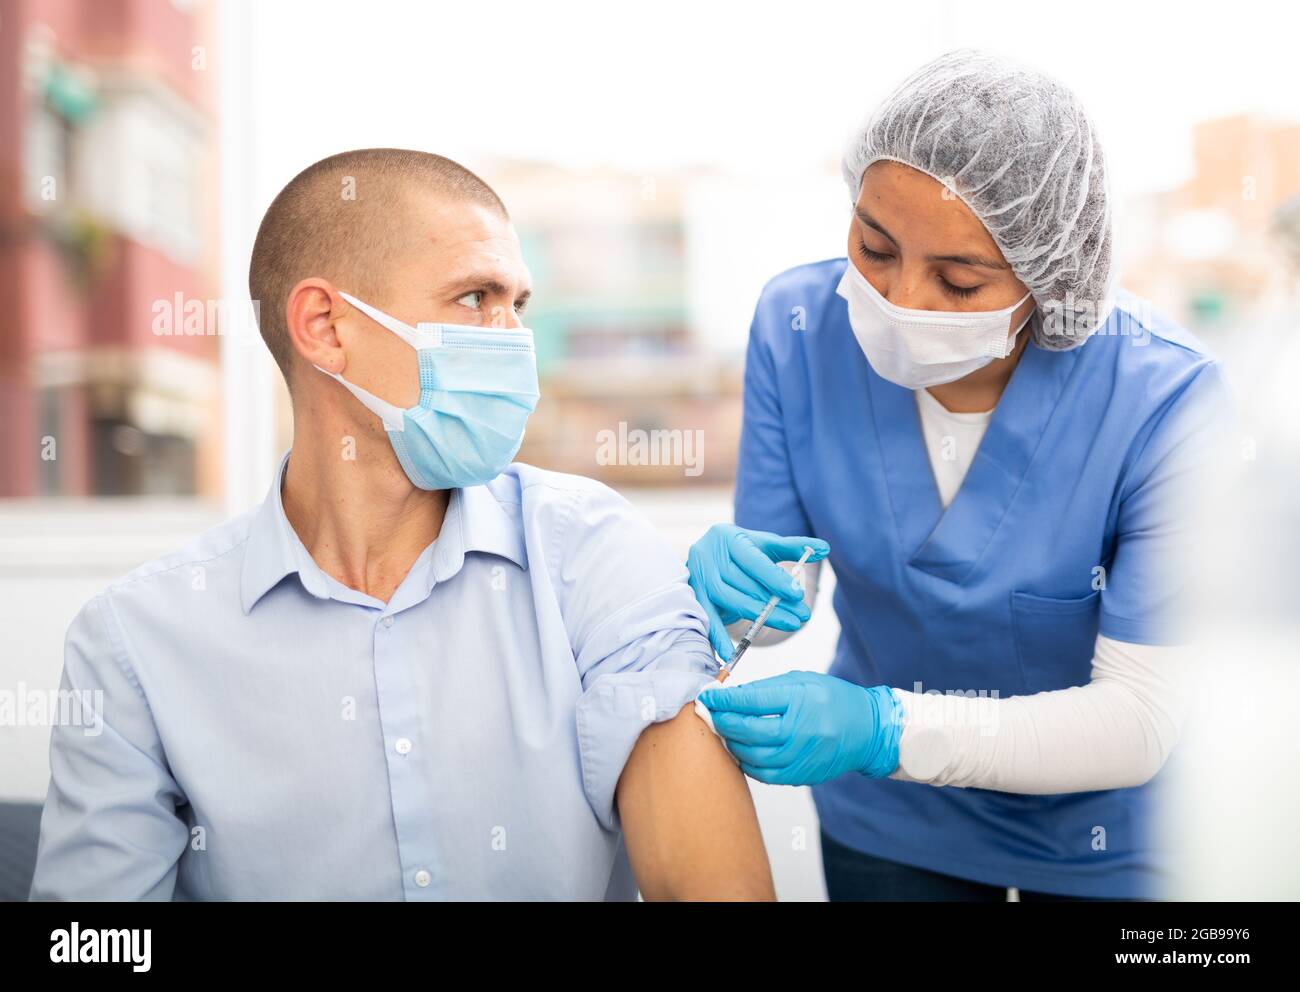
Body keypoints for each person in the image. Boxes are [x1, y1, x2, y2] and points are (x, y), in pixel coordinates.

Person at [29, 149, 773, 901]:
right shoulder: (134, 643)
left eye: (519, 304)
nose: (512, 338)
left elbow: (709, 883)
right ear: (324, 326)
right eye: (476, 297)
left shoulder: (589, 551)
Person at [690, 50, 1232, 901]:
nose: (902, 297)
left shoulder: (1166, 397)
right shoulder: (796, 328)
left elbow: (1138, 718)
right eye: (873, 246)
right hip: (892, 828)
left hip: (1104, 837)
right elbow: (778, 595)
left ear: (1053, 273)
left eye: (958, 279)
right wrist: (741, 591)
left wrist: (883, 728)